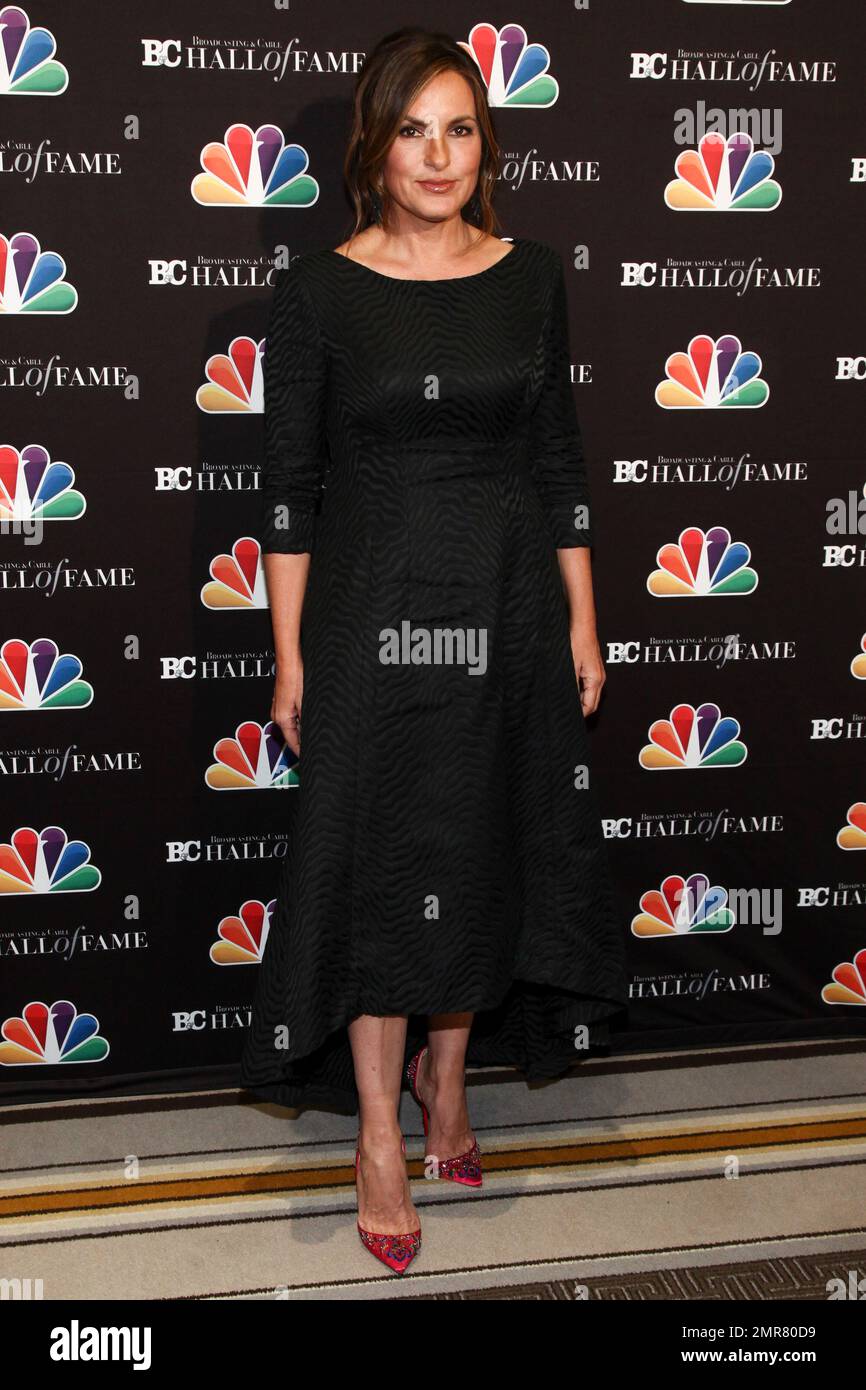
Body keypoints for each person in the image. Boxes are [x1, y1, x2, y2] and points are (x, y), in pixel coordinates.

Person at [239, 25, 628, 1276]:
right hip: (367, 621)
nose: (438, 153)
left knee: (478, 845)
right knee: (381, 859)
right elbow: (290, 490)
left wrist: (580, 613)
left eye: (459, 128)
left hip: (506, 607)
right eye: (414, 128)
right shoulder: (316, 290)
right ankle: (372, 1133)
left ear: (485, 144)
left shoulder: (532, 275)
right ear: (374, 143)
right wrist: (292, 660)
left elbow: (559, 456)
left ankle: (446, 1085)